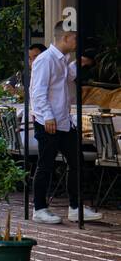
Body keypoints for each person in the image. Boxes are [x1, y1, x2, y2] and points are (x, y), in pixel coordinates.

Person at [29, 23, 102, 224]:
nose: (77, 42)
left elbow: (65, 78)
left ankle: (75, 207)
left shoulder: (62, 60)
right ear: (66, 38)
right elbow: (38, 92)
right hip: (49, 121)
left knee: (76, 162)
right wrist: (48, 116)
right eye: (75, 38)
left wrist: (78, 64)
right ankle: (39, 208)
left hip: (64, 121)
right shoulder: (46, 60)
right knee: (45, 165)